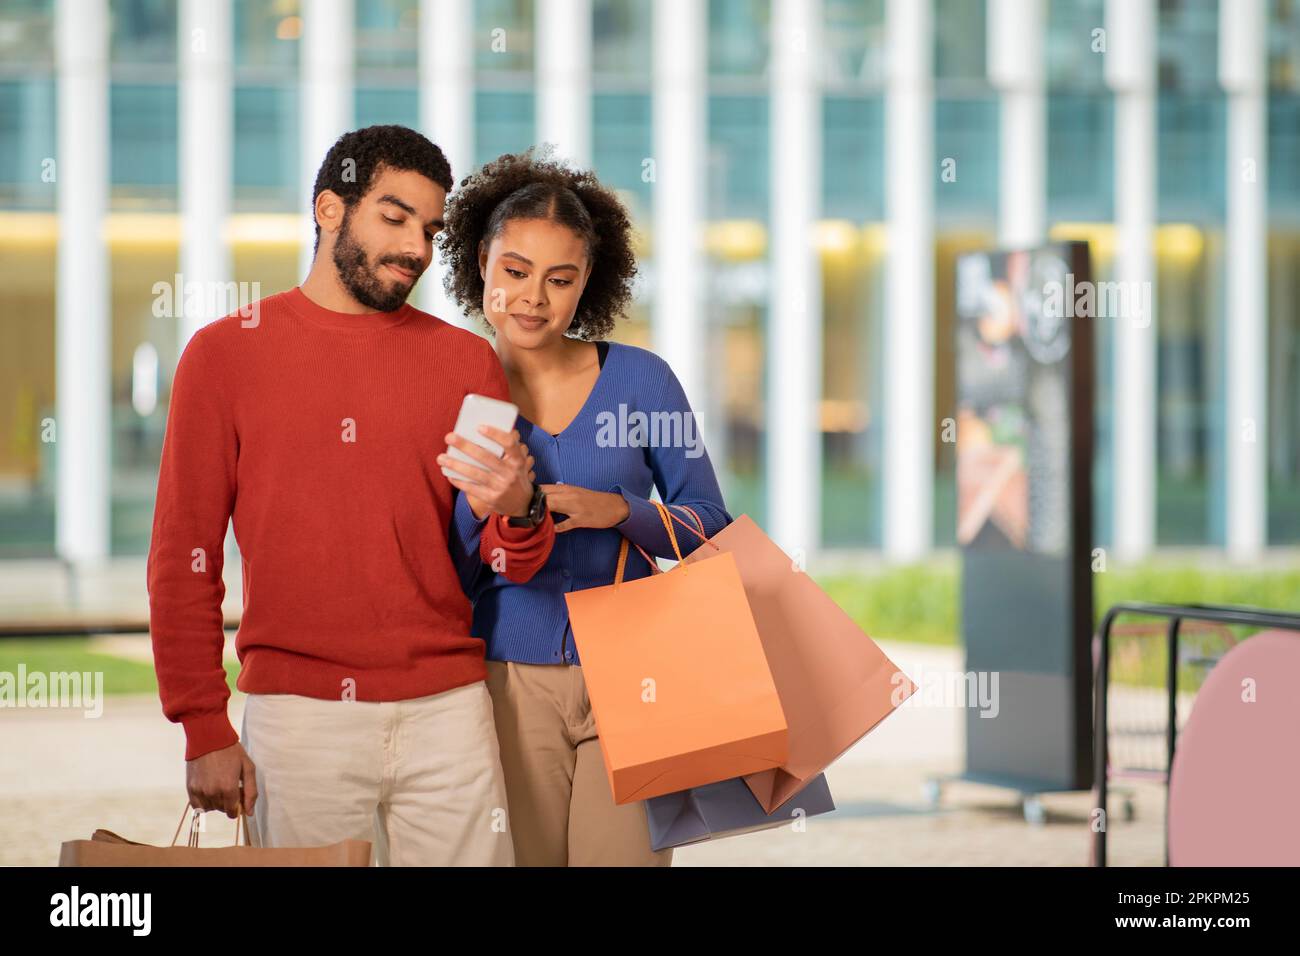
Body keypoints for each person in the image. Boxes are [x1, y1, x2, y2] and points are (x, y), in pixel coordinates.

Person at [147, 125, 554, 866]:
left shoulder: (467, 361)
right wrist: (203, 723)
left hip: (450, 713)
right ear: (329, 208)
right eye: (393, 219)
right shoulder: (224, 354)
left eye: (429, 230)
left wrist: (524, 509)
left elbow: (502, 555)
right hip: (298, 719)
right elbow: (184, 554)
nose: (415, 249)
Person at [437, 147, 733, 866]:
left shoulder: (642, 381)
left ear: (585, 287)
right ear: (482, 262)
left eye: (559, 279)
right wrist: (505, 508)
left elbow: (712, 528)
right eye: (515, 271)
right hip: (508, 679)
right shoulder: (452, 384)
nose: (533, 297)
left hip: (639, 673)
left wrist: (620, 510)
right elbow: (442, 561)